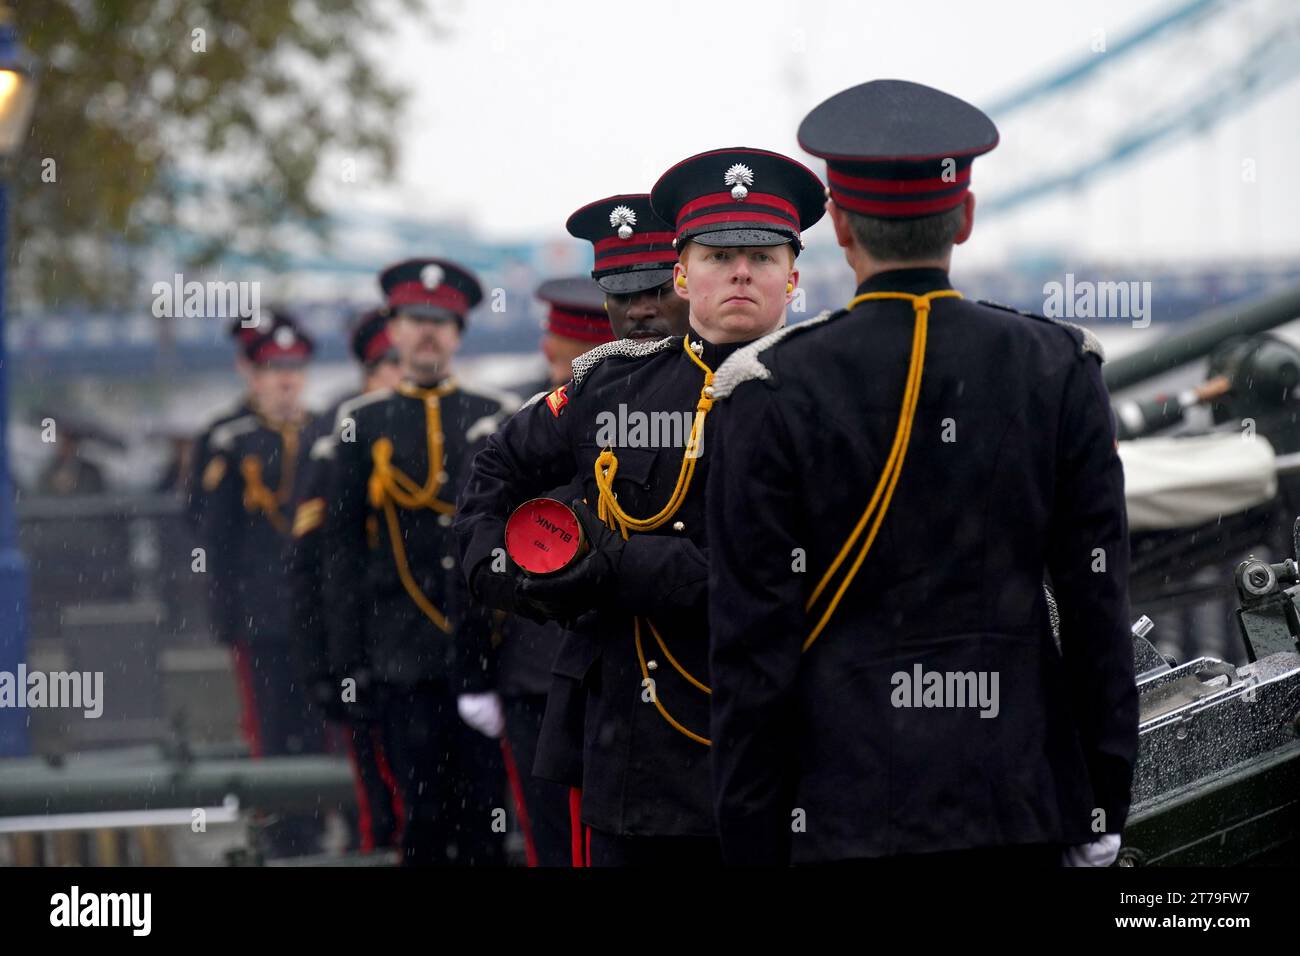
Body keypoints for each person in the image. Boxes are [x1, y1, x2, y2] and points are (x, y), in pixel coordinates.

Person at [704, 79, 1138, 867]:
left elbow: (750, 649)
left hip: (841, 811)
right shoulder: (1059, 368)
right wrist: (1103, 797)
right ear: (965, 218)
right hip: (1019, 802)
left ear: (837, 225)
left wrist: (751, 837)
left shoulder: (764, 389)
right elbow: (1094, 604)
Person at [455, 149, 824, 866]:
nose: (741, 273)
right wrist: (524, 576)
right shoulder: (611, 387)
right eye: (718, 255)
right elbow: (492, 475)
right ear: (683, 273)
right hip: (641, 754)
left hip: (790, 750)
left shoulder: (829, 394)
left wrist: (614, 567)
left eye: (762, 257)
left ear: (794, 276)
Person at [323, 258, 511, 866]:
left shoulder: (498, 413)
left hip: (483, 651)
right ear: (394, 329)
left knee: (489, 819)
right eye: (415, 320)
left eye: (442, 321)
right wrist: (348, 661)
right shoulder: (361, 422)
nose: (428, 332)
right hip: (401, 653)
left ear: (459, 334)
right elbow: (341, 552)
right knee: (420, 821)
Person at [201, 316, 328, 858]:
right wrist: (227, 616)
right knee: (269, 729)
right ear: (251, 373)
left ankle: (320, 827)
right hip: (261, 613)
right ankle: (279, 834)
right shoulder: (229, 440)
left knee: (320, 727)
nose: (285, 381)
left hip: (316, 613)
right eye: (274, 369)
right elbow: (212, 534)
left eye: (294, 369)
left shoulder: (324, 430)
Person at [288, 307, 403, 854]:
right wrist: (324, 665)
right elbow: (312, 569)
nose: (400, 377)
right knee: (382, 812)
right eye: (389, 365)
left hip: (438, 653)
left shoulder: (456, 428)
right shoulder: (335, 447)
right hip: (369, 650)